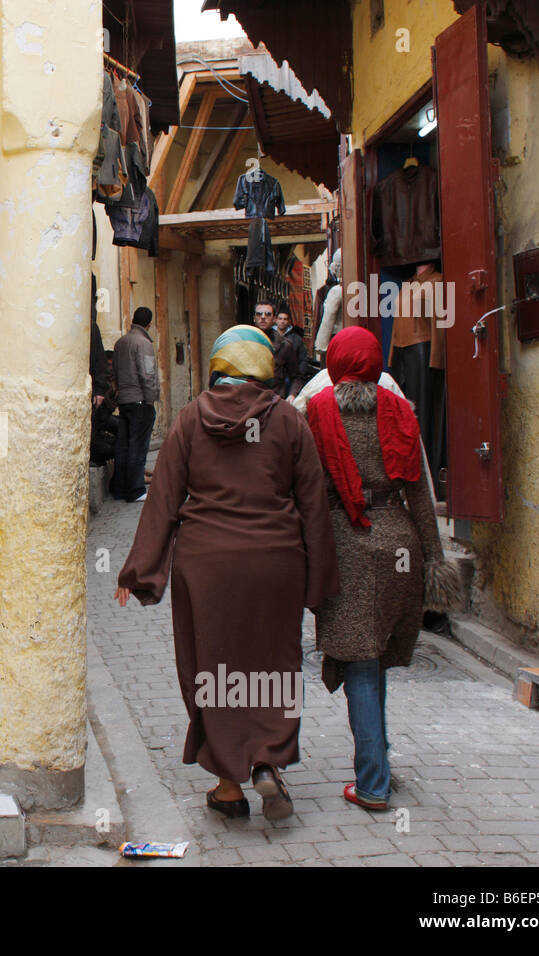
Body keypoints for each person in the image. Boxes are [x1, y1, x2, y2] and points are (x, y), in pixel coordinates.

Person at [115, 325, 340, 821]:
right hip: (275, 564)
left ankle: (227, 784)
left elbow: (165, 497)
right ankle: (266, 761)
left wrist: (137, 571)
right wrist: (321, 580)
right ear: (265, 367)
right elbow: (313, 504)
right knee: (273, 662)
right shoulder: (287, 421)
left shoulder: (191, 419)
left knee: (212, 668)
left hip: (207, 565)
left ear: (218, 367)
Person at [304, 327, 462, 811]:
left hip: (344, 542)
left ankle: (372, 781)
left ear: (334, 362)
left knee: (361, 660)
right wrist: (434, 559)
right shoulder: (400, 413)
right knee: (372, 657)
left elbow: (305, 490)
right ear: (375, 363)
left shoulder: (316, 412)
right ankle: (380, 761)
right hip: (398, 541)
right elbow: (420, 492)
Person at [110, 307, 159, 502]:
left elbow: (115, 372)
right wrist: (150, 400)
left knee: (124, 446)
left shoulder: (120, 343)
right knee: (138, 447)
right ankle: (136, 490)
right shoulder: (144, 343)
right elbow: (147, 375)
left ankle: (120, 488)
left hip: (125, 401)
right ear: (149, 324)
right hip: (140, 401)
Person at [254, 299, 299, 399]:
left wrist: (292, 395)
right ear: (254, 318)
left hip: (274, 399)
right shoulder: (246, 342)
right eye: (259, 314)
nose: (263, 317)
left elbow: (296, 376)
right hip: (251, 398)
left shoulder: (285, 345)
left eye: (268, 314)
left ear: (274, 319)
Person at [275, 306, 309, 397]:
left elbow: (303, 359)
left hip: (290, 376)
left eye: (285, 319)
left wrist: (300, 375)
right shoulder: (270, 336)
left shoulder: (296, 339)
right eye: (280, 319)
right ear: (275, 320)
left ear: (289, 321)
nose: (282, 321)